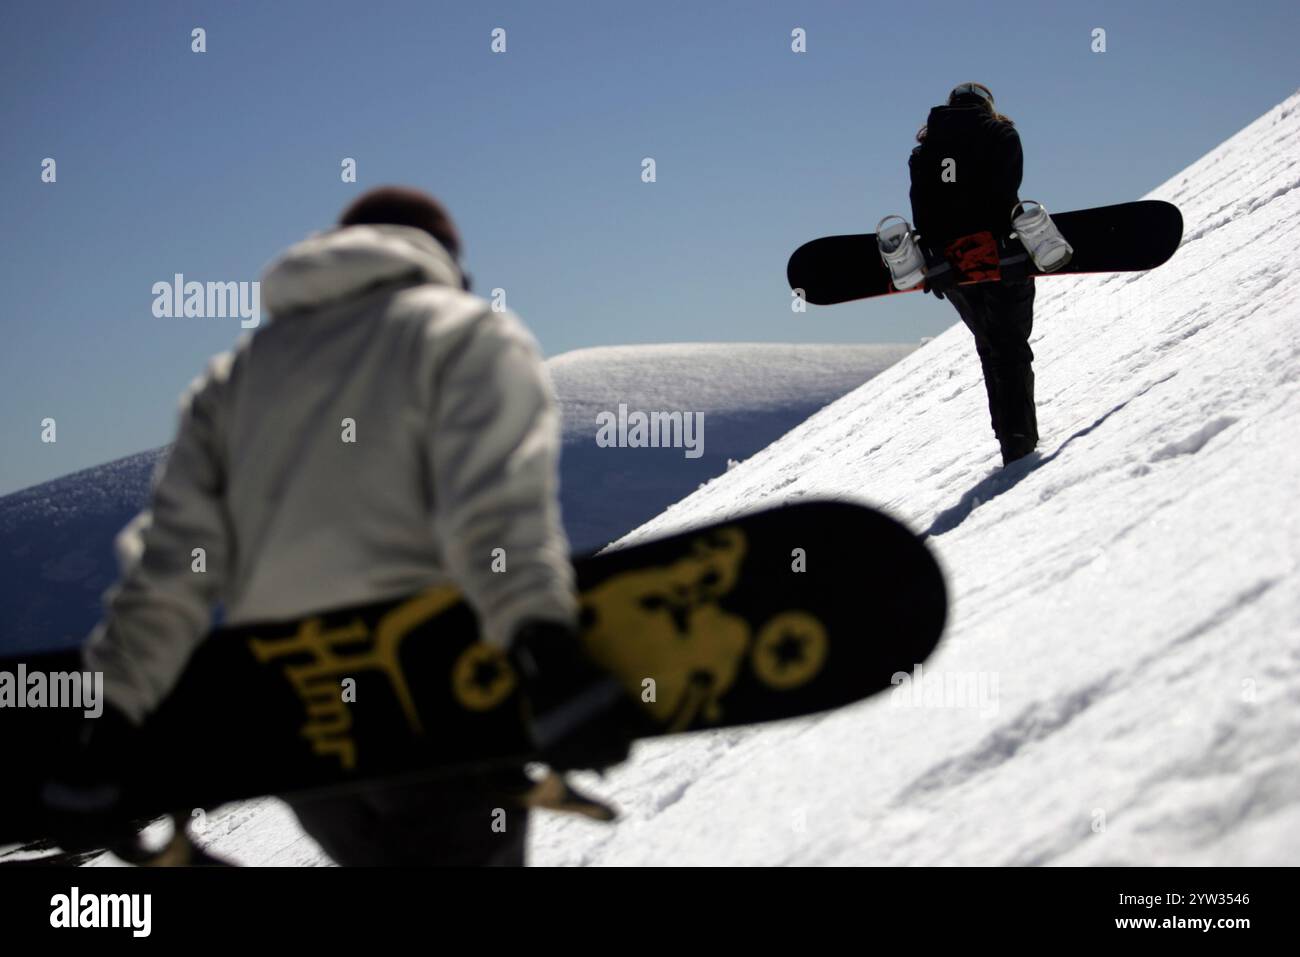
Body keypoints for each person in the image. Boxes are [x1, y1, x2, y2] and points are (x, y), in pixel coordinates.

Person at [59, 186, 623, 866]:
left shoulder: (237, 375)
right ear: (447, 261)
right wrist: (544, 644)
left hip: (301, 731)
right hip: (435, 703)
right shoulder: (462, 329)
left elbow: (173, 563)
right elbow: (493, 509)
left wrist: (112, 718)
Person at [908, 82, 1039, 465]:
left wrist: (937, 257)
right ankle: (1018, 442)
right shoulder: (1001, 133)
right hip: (1000, 257)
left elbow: (922, 209)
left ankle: (1010, 439)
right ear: (987, 106)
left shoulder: (924, 152)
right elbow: (1005, 192)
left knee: (991, 347)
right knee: (1011, 346)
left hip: (952, 265)